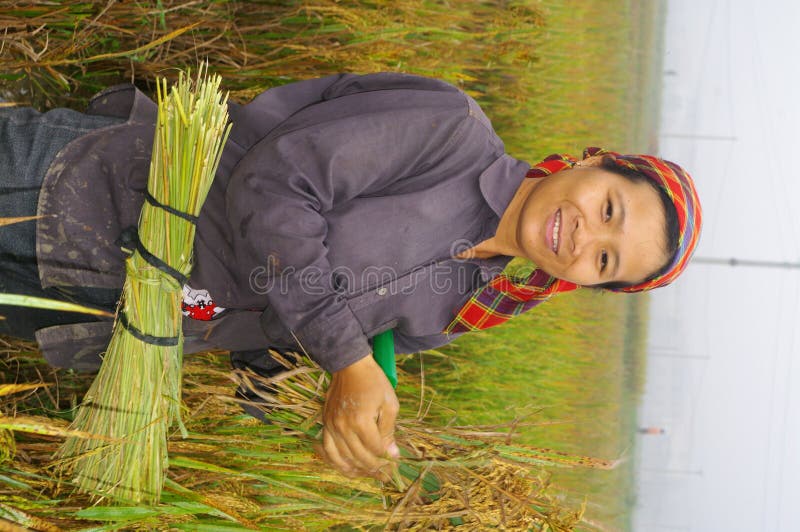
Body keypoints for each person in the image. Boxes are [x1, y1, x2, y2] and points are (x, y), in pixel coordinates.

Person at [0, 72, 702, 481]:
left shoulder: (458, 310)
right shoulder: (450, 131)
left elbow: (280, 337)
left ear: (587, 284)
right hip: (79, 193)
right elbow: (275, 188)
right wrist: (349, 360)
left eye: (605, 260)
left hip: (103, 312)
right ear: (590, 161)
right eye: (608, 207)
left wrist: (319, 424)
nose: (585, 235)